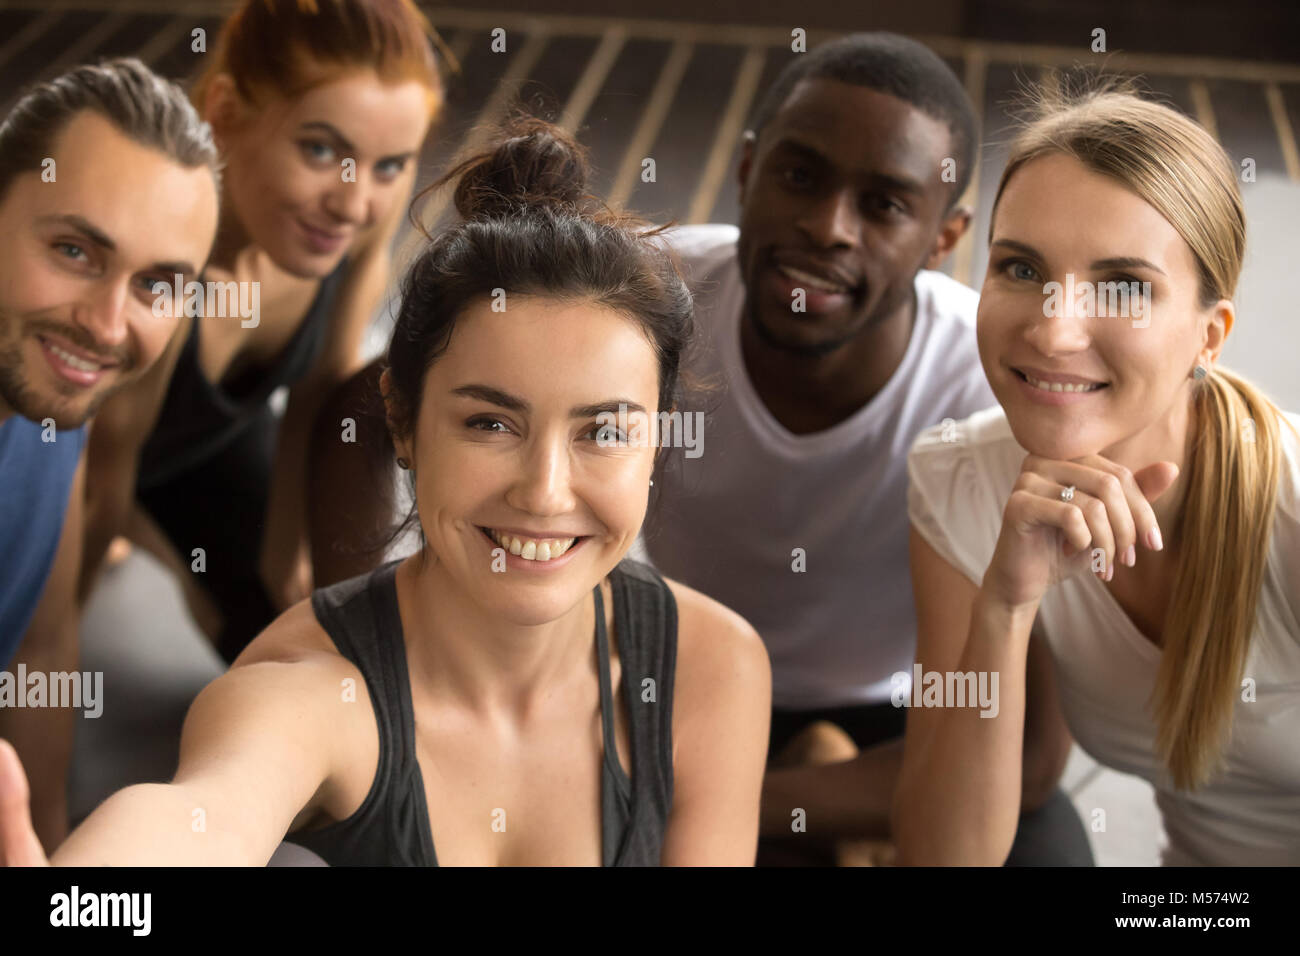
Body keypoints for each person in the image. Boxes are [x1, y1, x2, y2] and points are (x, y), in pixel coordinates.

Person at [0, 119, 771, 867]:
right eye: (490, 423)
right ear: (401, 422)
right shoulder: (312, 689)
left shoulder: (712, 669)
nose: (544, 492)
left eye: (602, 432)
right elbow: (200, 820)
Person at [645, 34, 1091, 865]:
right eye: (800, 176)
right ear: (748, 171)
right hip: (684, 695)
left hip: (910, 714)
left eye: (885, 204)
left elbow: (1029, 760)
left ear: (943, 237)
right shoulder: (645, 306)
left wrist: (735, 799)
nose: (827, 228)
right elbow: (396, 403)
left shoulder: (992, 382)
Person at [895, 78, 1300, 866]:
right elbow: (943, 857)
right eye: (1019, 269)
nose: (1053, 331)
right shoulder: (960, 484)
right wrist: (1006, 606)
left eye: (1122, 287)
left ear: (1209, 336)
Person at [80, 0, 445, 663]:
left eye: (389, 165)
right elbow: (101, 476)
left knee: (284, 640)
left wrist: (285, 555)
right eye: (319, 148)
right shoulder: (158, 254)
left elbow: (320, 394)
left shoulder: (352, 211)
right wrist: (44, 650)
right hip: (72, 453)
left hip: (197, 448)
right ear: (222, 112)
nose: (354, 201)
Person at [0, 58, 221, 851]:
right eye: (74, 251)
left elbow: (40, 648)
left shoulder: (59, 406)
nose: (105, 325)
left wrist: (51, 848)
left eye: (155, 286)